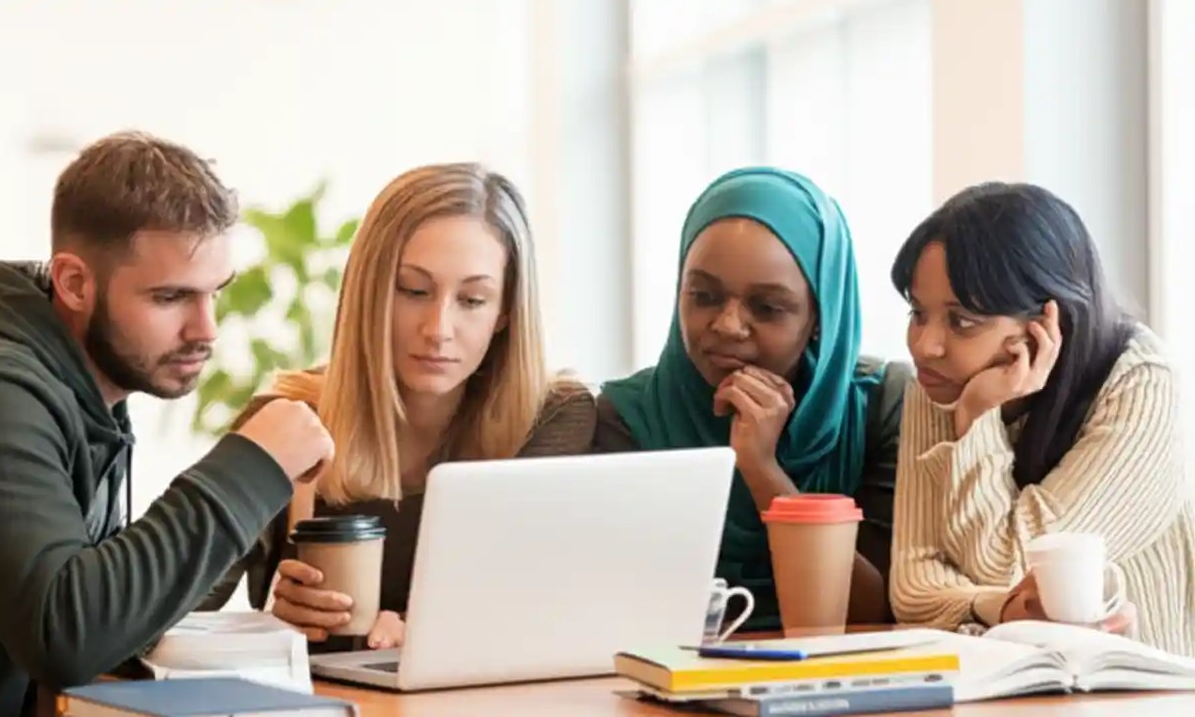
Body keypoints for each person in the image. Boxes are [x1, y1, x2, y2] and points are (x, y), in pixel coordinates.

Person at [0, 131, 334, 716]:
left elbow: (115, 616)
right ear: (75, 283)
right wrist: (249, 468)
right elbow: (67, 636)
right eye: (170, 297)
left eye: (215, 293)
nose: (206, 328)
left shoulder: (89, 386)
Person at [202, 163, 596, 649]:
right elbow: (167, 606)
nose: (438, 328)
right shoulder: (288, 422)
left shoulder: (553, 418)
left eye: (472, 300)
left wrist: (429, 628)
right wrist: (273, 626)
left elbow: (544, 599)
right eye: (413, 290)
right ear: (370, 292)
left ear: (505, 312)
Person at [594, 167, 910, 631]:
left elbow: (875, 611)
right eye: (703, 296)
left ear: (821, 315)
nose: (727, 325)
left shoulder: (880, 405)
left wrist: (763, 471)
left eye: (766, 308)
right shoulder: (628, 418)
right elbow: (617, 607)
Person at [888, 181, 1193, 655]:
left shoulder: (1142, 384)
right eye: (918, 312)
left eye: (962, 320)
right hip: (999, 685)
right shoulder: (939, 382)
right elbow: (913, 589)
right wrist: (1002, 609)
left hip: (1135, 692)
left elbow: (1008, 563)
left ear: (1049, 325)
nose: (925, 345)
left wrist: (978, 416)